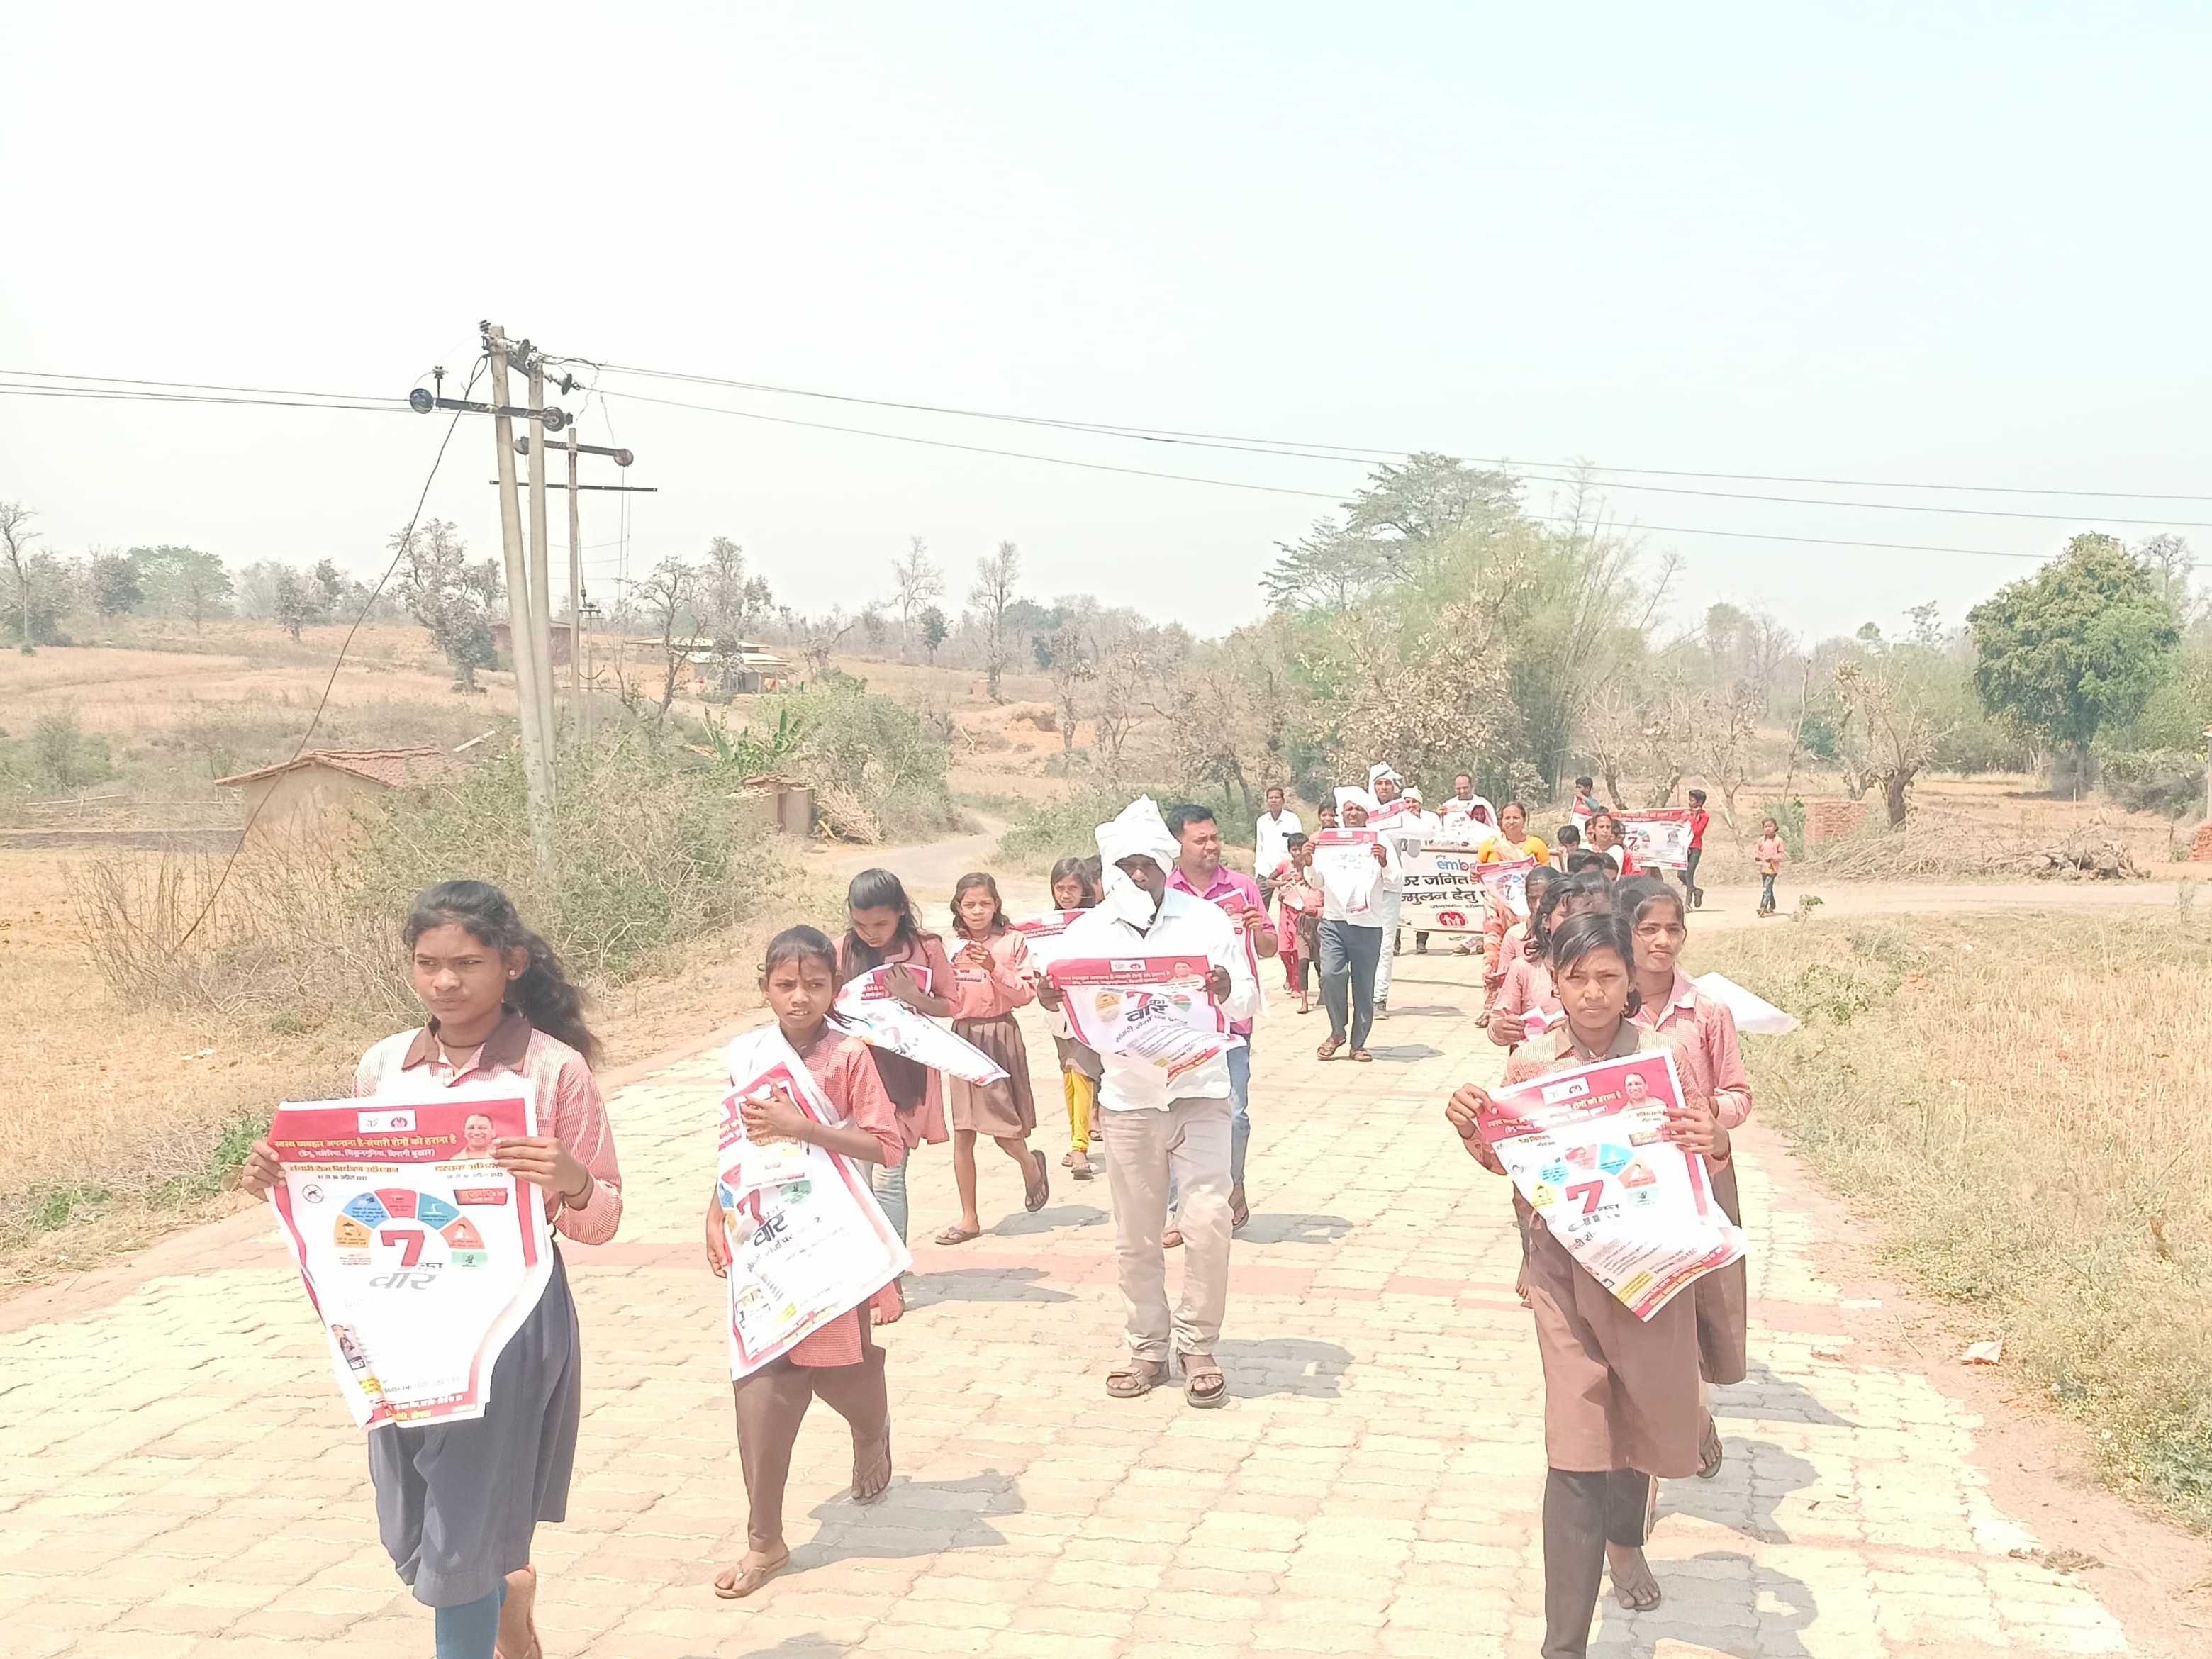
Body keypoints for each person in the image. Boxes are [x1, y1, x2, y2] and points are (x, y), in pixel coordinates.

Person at [238, 880, 624, 1659]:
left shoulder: (552, 1073)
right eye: (428, 963)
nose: (445, 982)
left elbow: (604, 1218)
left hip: (506, 1324)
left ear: (511, 964)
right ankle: (506, 1592)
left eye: (466, 963)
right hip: (399, 1318)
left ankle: (481, 1603)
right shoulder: (383, 1066)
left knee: (459, 1534)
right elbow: (353, 1191)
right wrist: (281, 1176)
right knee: (412, 1519)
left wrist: (570, 1179)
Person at [1446, 910, 1727, 1655]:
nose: (1594, 992)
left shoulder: (1663, 1056)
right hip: (1564, 1275)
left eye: (1609, 976)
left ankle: (1625, 1541)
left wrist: (1715, 1142)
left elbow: (1702, 1149)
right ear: (1557, 985)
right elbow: (1508, 1165)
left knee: (1638, 1421)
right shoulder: (1534, 1064)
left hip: (1648, 1271)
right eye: (1578, 978)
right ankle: (1562, 1644)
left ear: (1631, 982)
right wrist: (1473, 1128)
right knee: (1575, 1444)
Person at [1037, 796, 1258, 1408]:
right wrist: (1052, 1000)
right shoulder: (1085, 936)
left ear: (1168, 864)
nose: (1139, 877)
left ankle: (1199, 1345)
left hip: (1202, 1091)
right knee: (1135, 1234)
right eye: (1128, 866)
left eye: (1149, 866)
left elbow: (1243, 1005)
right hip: (1130, 1099)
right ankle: (1147, 1348)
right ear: (1110, 870)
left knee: (1208, 1222)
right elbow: (1072, 1025)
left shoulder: (1206, 923)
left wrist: (1223, 986)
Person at [705, 925, 903, 1599]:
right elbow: (737, 1139)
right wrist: (714, 1210)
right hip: (763, 1234)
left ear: (834, 988)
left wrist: (804, 1128)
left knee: (831, 1369)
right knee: (760, 1375)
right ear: (764, 986)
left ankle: (871, 1426)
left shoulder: (848, 1055)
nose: (799, 998)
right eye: (785, 985)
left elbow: (886, 1146)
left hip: (828, 1236)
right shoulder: (748, 1055)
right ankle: (766, 1539)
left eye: (814, 985)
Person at [1619, 878, 1751, 1479]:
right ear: (1624, 932)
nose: (1662, 941)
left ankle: (1695, 1418)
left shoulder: (1707, 1012)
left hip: (1699, 1182)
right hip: (1625, 1193)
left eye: (1673, 929)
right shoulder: (1600, 1005)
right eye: (1648, 929)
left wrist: (1715, 1123)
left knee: (1700, 1315)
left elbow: (1738, 1093)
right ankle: (1641, 1471)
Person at [1166, 803, 1277, 1234]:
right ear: (1178, 843)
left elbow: (1268, 949)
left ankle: (1234, 1184)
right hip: (1179, 1023)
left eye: (1215, 837)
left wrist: (1258, 929)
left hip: (1232, 1023)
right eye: (1201, 840)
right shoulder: (1166, 891)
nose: (1212, 846)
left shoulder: (1242, 888)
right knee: (1177, 1115)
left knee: (1235, 1115)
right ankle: (1180, 1210)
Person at [837, 868, 954, 1244]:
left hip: (904, 1074)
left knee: (889, 1173)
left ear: (901, 911)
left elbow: (951, 1004)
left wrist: (914, 997)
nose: (870, 933)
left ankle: (894, 1268)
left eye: (880, 923)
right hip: (854, 1074)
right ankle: (868, 1261)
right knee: (857, 1173)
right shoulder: (841, 949)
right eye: (860, 924)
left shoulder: (927, 948)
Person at [937, 873, 1048, 1244]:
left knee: (1004, 1130)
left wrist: (992, 968)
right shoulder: (951, 947)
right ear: (958, 908)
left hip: (1000, 1034)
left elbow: (1024, 994)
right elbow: (942, 995)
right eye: (969, 905)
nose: (977, 911)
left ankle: (1030, 1165)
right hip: (963, 1039)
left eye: (984, 904)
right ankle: (969, 1217)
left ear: (996, 904)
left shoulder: (1013, 942)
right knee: (964, 1132)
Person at [1316, 788, 1399, 1063]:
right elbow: (1317, 881)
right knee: (1330, 975)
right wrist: (1307, 863)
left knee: (1364, 986)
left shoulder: (1379, 839)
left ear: (1368, 813)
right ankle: (1337, 1031)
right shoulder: (1329, 841)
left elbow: (1396, 882)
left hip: (1367, 924)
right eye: (1348, 809)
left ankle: (1359, 1043)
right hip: (1334, 921)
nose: (1352, 814)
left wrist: (1385, 861)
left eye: (1358, 809)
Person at [1487, 871, 1611, 1051]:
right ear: (1546, 921)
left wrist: (1577, 1028)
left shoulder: (1605, 966)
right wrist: (1502, 1029)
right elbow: (1497, 1024)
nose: (1575, 922)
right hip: (1534, 1066)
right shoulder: (1525, 968)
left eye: (1583, 915)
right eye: (1566, 915)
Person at [1046, 856, 1105, 1183]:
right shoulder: (1048, 925)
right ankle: (1076, 1135)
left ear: (1084, 890)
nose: (1066, 895)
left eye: (1073, 888)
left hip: (1090, 1007)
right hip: (1057, 1008)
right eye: (1060, 888)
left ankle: (1079, 1145)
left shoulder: (1098, 922)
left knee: (1083, 1072)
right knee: (1069, 1073)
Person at [1480, 864, 1557, 1025]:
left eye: (1543, 899)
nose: (1537, 906)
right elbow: (1505, 986)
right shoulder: (1515, 936)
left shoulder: (1572, 934)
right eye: (1532, 899)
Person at [1368, 764, 1408, 1018]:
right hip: (1363, 889)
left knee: (1384, 944)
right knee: (1361, 943)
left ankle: (1379, 998)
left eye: (1387, 784)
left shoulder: (1402, 816)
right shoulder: (1361, 813)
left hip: (1391, 886)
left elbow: (1414, 849)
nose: (1383, 788)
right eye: (1379, 784)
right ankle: (1362, 994)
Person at [1275, 834, 1322, 1016]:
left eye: (1300, 849)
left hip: (1317, 924)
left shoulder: (1317, 872)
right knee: (1299, 959)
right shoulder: (1287, 868)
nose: (1297, 853)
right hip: (1297, 922)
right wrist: (1283, 890)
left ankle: (1323, 992)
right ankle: (1303, 1000)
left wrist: (1317, 911)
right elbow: (1273, 882)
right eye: (1294, 849)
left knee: (1318, 963)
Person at [1399, 784, 1445, 955]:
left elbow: (1439, 838)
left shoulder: (1430, 818)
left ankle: (1421, 941)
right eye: (1407, 802)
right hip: (1402, 868)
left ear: (1420, 803)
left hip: (1425, 868)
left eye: (1413, 802)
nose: (1410, 805)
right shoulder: (1397, 818)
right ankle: (1395, 944)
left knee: (1423, 903)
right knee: (1399, 905)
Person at [1253, 785, 1301, 906]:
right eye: (1271, 798)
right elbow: (1260, 846)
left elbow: (1299, 844)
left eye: (1277, 797)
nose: (1274, 800)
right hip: (1266, 871)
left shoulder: (1292, 819)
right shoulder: (1262, 821)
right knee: (1260, 907)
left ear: (1283, 800)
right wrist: (1258, 869)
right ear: (1267, 801)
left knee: (1292, 906)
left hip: (1287, 872)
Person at [1482, 800, 1552, 868]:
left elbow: (1548, 874)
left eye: (1516, 818)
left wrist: (1540, 870)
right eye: (1507, 818)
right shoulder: (1492, 843)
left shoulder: (1537, 844)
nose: (1511, 822)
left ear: (1524, 820)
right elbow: (1476, 872)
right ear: (1502, 821)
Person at [1682, 790, 1711, 910]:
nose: (1689, 803)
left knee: (1689, 874)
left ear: (1700, 802)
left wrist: (1694, 817)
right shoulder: (1685, 814)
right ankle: (1696, 890)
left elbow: (1697, 831)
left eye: (1692, 801)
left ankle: (1687, 903)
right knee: (1681, 874)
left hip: (1695, 848)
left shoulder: (1705, 816)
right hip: (1684, 847)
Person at [1586, 811, 1638, 878]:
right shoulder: (1585, 848)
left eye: (1608, 827)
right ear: (1594, 829)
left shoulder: (1616, 850)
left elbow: (1614, 876)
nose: (1605, 830)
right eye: (1601, 827)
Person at [1755, 819, 1787, 917]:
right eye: (1766, 827)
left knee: (1766, 888)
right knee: (1768, 888)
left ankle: (1762, 908)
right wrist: (1758, 857)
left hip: (1773, 868)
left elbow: (1782, 855)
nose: (1768, 829)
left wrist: (1773, 858)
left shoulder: (1778, 841)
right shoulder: (1761, 840)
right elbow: (1757, 851)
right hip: (1764, 868)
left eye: (1770, 826)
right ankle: (1772, 905)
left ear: (1775, 827)